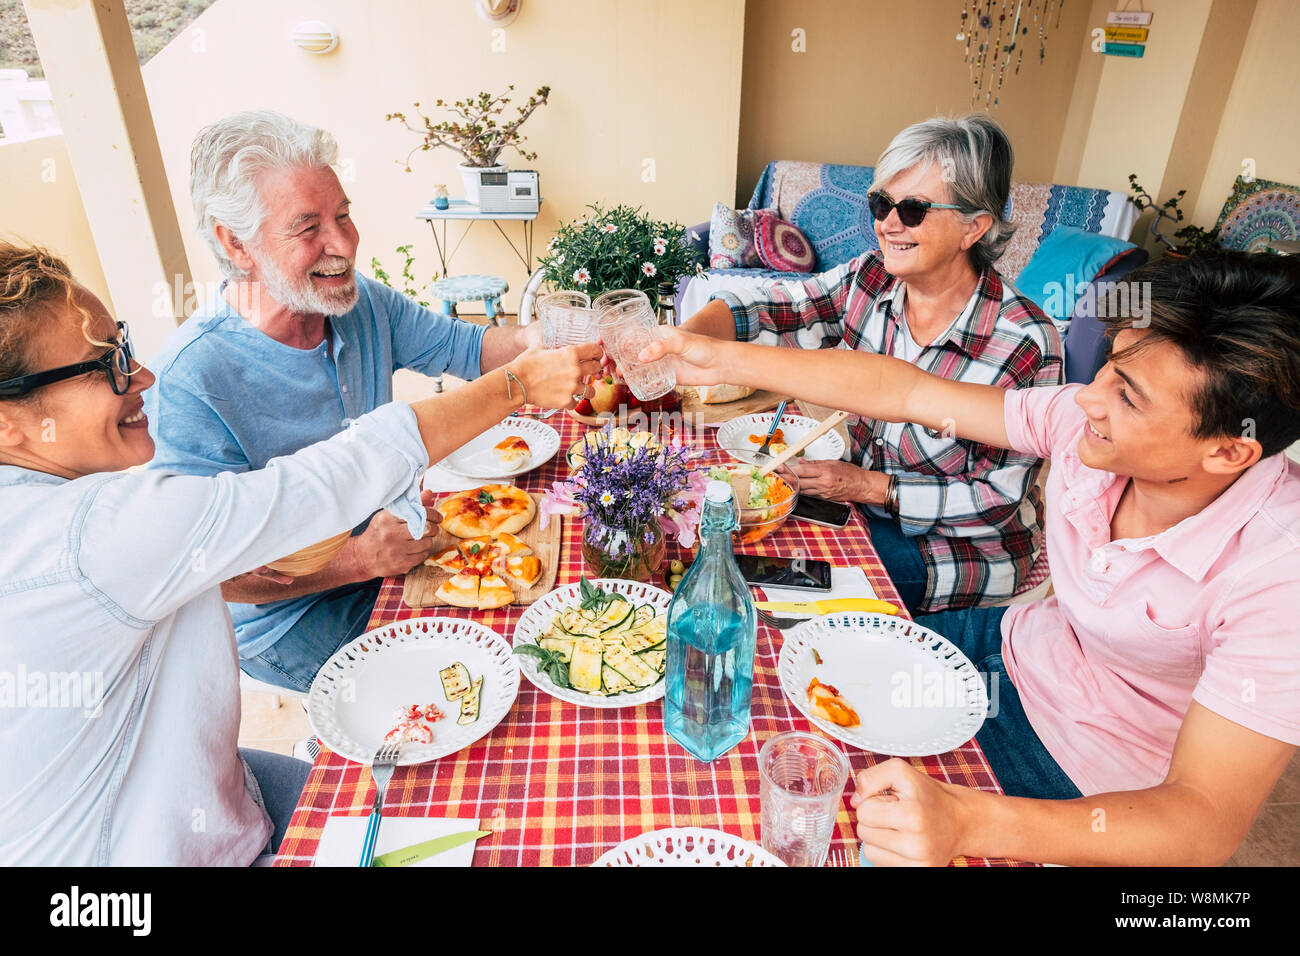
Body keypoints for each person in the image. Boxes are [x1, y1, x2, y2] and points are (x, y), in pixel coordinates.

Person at [643, 250, 1300, 865]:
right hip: (1006, 646)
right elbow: (905, 392)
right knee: (774, 703)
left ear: (1229, 451)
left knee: (849, 834)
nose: (1090, 395)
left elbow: (1204, 817)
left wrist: (969, 821)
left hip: (1084, 770)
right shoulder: (1086, 421)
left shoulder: (1280, 571)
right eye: (1111, 362)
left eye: (1128, 394)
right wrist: (713, 356)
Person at [0, 242, 598, 865]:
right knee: (459, 813)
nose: (141, 377)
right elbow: (330, 480)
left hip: (223, 791)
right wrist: (518, 384)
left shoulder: (64, 506)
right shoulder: (95, 536)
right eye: (107, 366)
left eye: (123, 347)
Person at [144, 111, 550, 693]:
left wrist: (543, 339)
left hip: (393, 549)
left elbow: (471, 347)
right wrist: (359, 560)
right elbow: (210, 570)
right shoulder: (189, 377)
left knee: (527, 627)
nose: (345, 244)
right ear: (236, 243)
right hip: (290, 617)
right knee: (452, 684)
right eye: (308, 227)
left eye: (344, 215)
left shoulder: (358, 304)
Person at [681, 115, 1062, 615]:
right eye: (881, 203)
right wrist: (681, 341)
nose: (888, 224)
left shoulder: (1024, 342)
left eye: (913, 209)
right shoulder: (871, 277)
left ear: (975, 227)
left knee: (771, 590)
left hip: (959, 551)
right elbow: (772, 308)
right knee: (719, 542)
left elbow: (997, 500)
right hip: (859, 507)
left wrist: (868, 486)